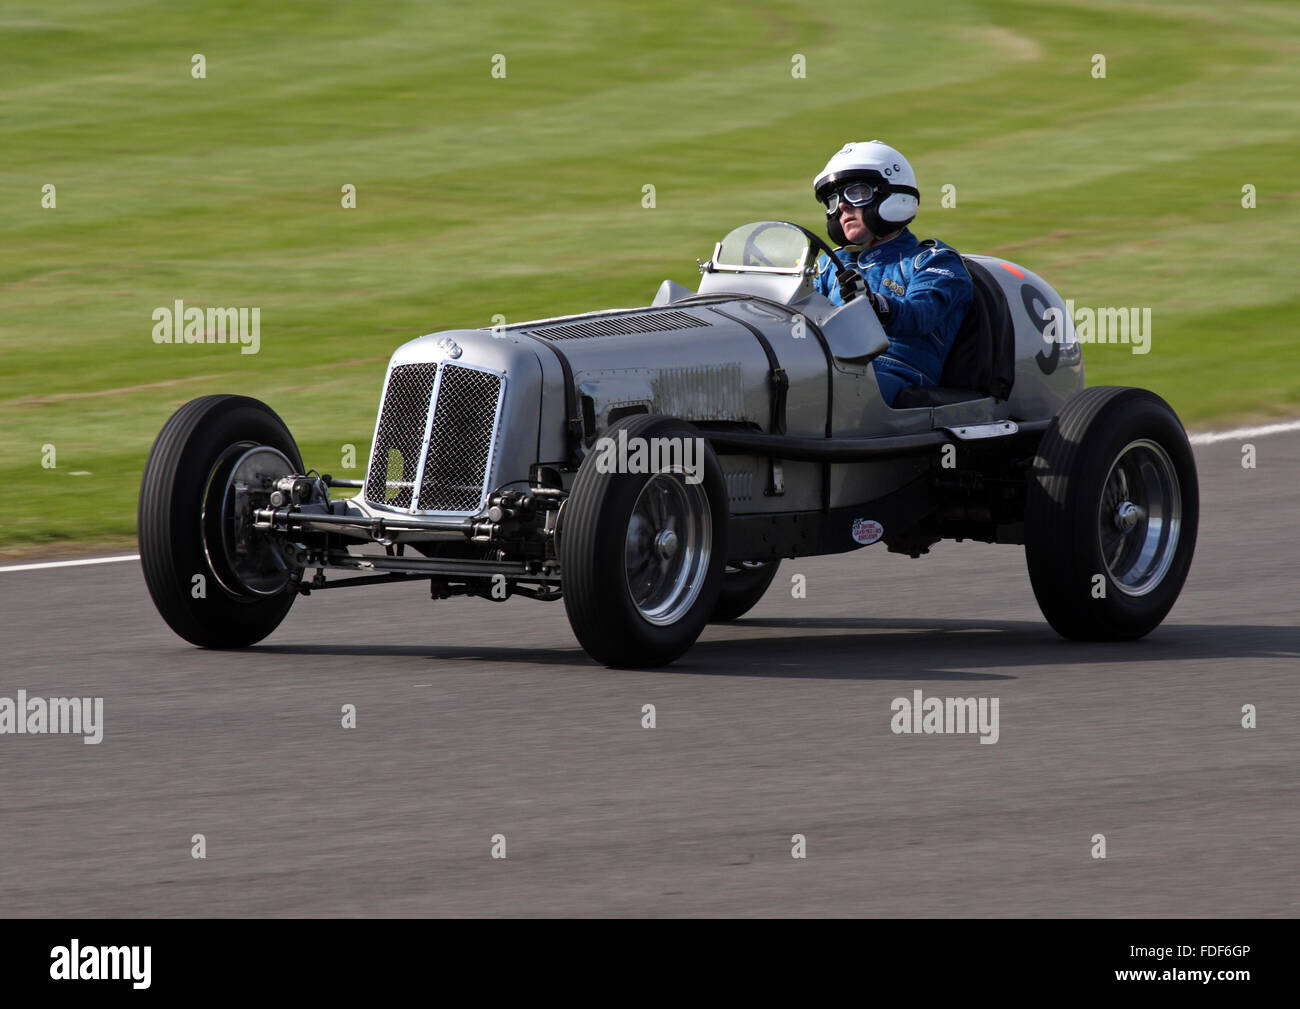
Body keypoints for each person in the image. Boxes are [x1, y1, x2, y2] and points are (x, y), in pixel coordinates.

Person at [812, 141, 972, 407]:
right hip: (831, 365)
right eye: (835, 198)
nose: (841, 206)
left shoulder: (932, 261)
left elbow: (920, 315)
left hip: (899, 373)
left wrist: (874, 304)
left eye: (856, 192)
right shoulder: (831, 264)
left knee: (825, 395)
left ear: (892, 196)